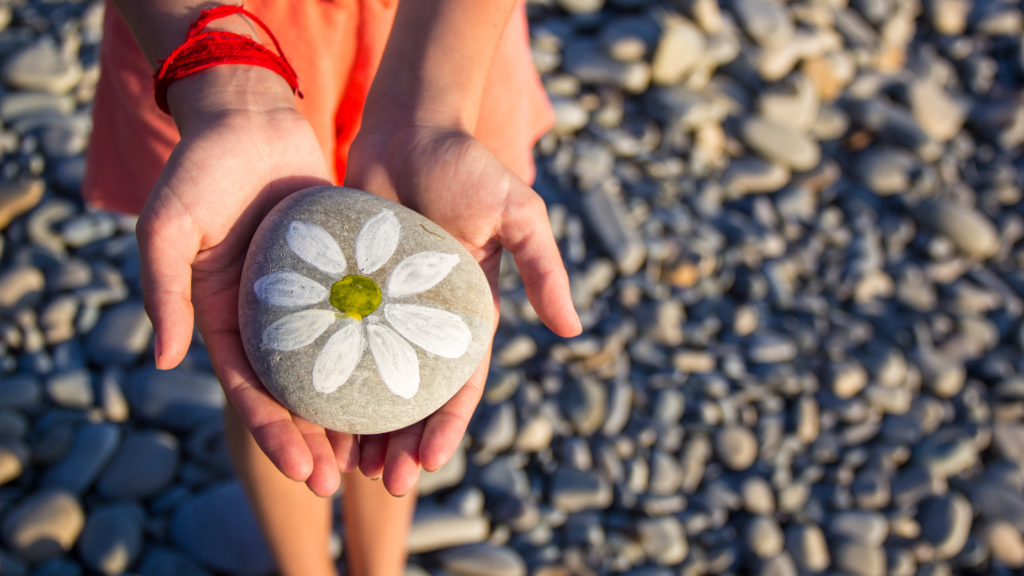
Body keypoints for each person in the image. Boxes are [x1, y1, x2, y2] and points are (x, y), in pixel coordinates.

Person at [83, 1, 582, 575]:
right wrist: (227, 84)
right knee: (268, 375)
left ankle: (380, 566)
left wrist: (435, 105)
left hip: (452, 32)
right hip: (211, 22)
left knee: (386, 411)